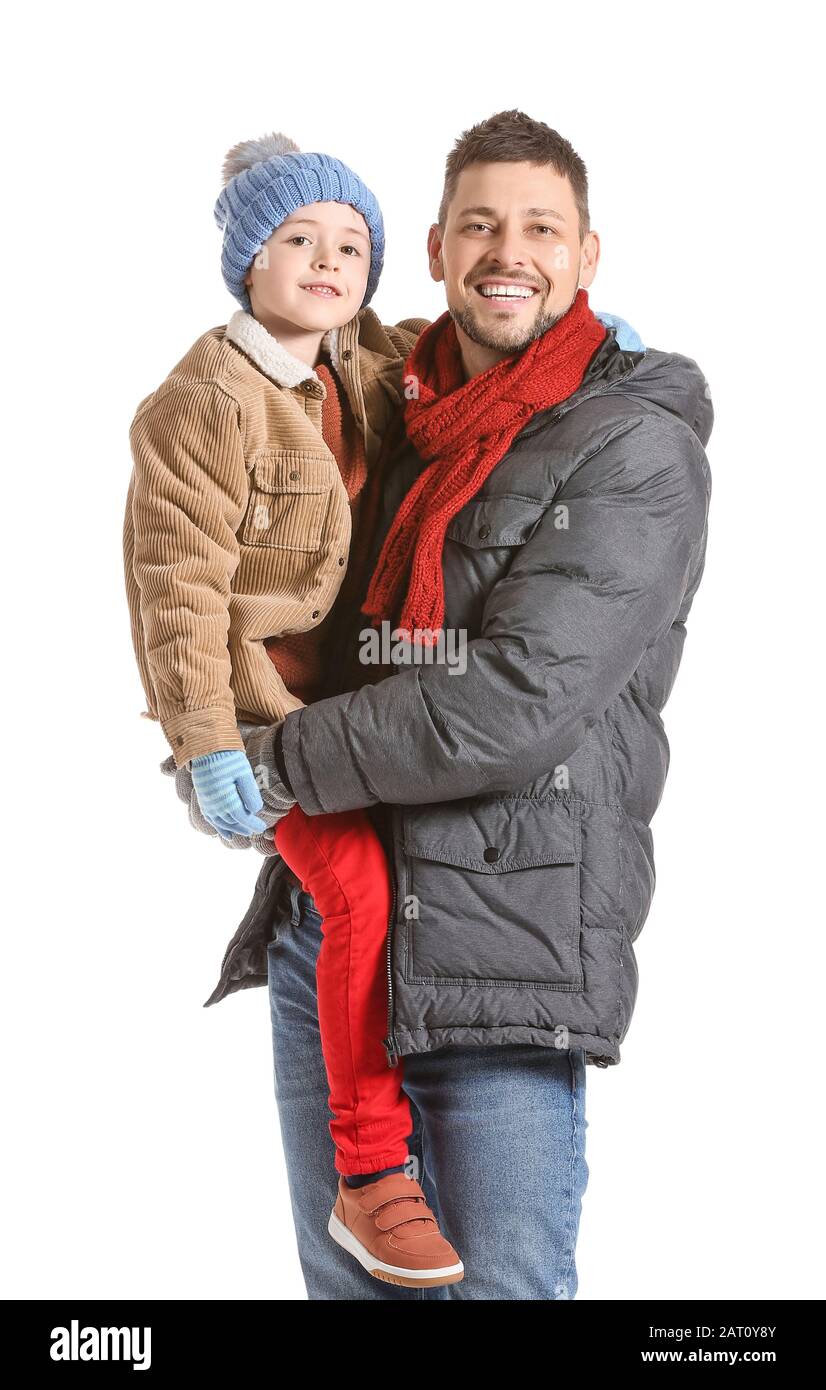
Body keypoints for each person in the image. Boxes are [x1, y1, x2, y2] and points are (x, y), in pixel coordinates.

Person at [170, 108, 708, 1300]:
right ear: (432, 247)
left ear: (586, 257)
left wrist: (270, 762)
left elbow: (514, 701)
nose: (506, 251)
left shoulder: (631, 449)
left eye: (538, 228)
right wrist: (208, 716)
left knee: (503, 1292)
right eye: (479, 224)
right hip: (337, 930)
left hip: (499, 954)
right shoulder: (398, 413)